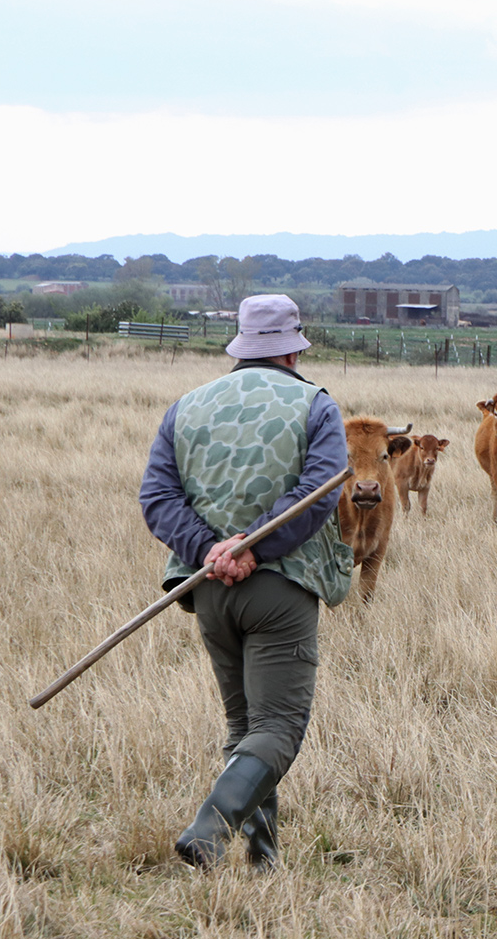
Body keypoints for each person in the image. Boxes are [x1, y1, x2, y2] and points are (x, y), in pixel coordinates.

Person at [140, 294, 353, 869]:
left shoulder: (185, 407)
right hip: (279, 588)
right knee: (279, 726)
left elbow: (157, 497)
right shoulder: (315, 404)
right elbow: (322, 489)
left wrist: (209, 549)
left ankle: (263, 859)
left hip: (206, 587)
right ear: (293, 348)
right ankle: (210, 828)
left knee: (245, 727)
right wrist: (256, 548)